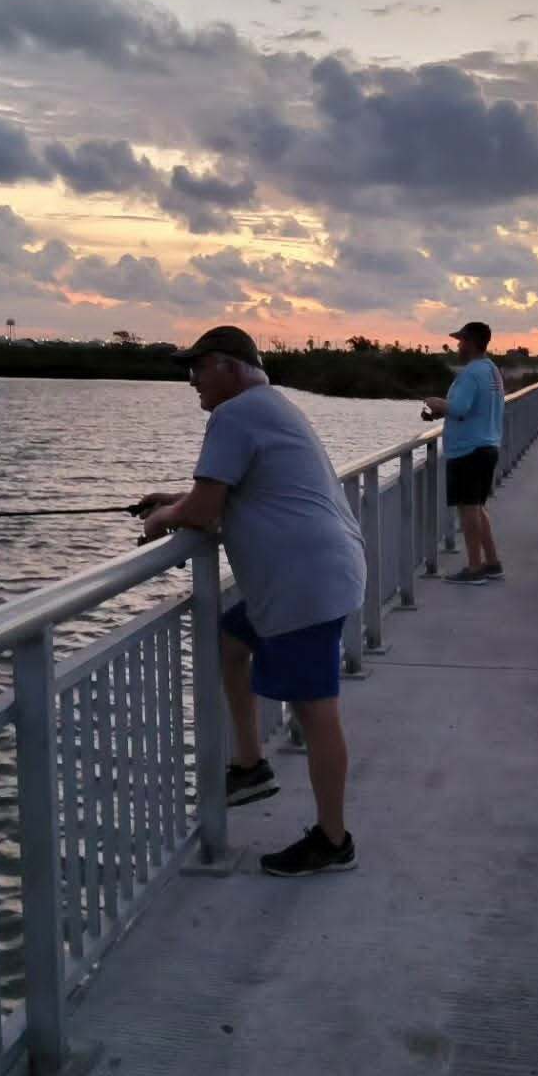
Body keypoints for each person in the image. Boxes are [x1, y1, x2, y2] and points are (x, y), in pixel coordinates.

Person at [138, 325, 366, 878]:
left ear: (231, 368)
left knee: (316, 713)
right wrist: (176, 499)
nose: (191, 380)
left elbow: (202, 512)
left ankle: (333, 840)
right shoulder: (268, 405)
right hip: (314, 572)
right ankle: (249, 763)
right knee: (229, 639)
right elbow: (226, 492)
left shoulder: (234, 414)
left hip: (302, 584)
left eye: (199, 367)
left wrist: (162, 517)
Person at [421, 320, 505, 585]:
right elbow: (469, 407)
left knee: (468, 509)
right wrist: (444, 410)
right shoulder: (491, 371)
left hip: (468, 451)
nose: (458, 345)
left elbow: (459, 409)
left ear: (471, 343)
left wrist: (436, 403)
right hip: (487, 445)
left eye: (461, 340)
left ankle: (474, 568)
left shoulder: (471, 374)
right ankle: (491, 563)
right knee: (477, 507)